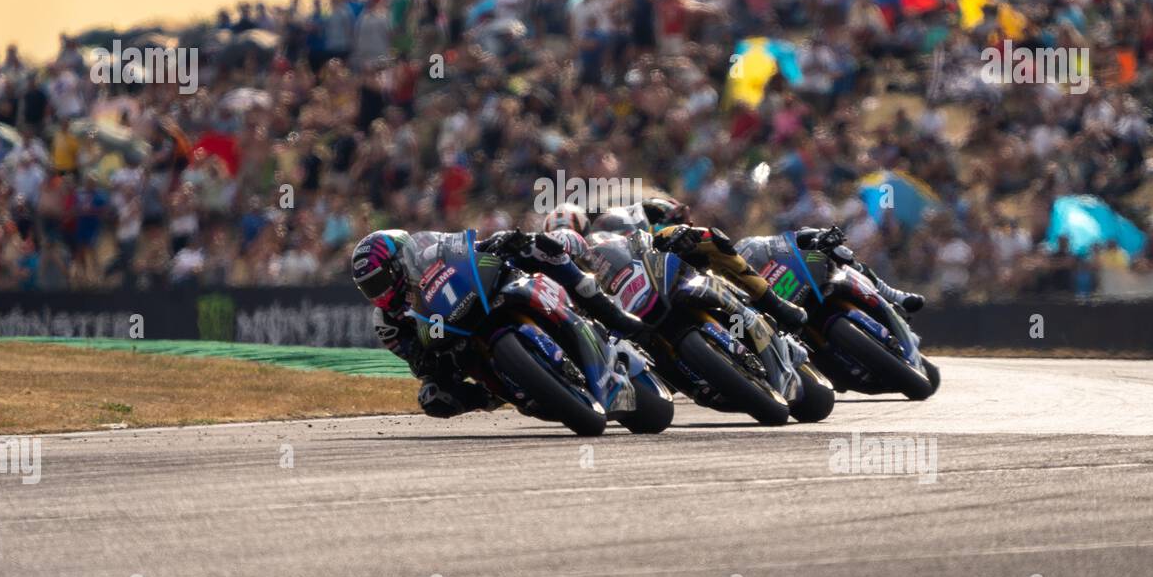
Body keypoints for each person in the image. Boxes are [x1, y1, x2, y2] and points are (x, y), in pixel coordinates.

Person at [351, 227, 647, 419]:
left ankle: (606, 311)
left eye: (379, 281)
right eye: (369, 289)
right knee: (432, 398)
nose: (378, 294)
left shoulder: (427, 251)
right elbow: (413, 360)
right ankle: (494, 394)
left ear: (398, 263)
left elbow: (466, 248)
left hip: (484, 293)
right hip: (456, 343)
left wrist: (501, 241)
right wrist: (421, 358)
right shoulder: (387, 322)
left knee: (536, 246)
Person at [592, 196, 809, 333]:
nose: (688, 222)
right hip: (646, 310)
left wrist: (682, 236)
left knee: (712, 238)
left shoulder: (660, 231)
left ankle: (776, 305)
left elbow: (694, 234)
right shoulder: (606, 264)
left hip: (683, 273)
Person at [735, 225, 924, 314]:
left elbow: (801, 235)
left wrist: (823, 236)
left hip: (813, 279)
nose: (758, 266)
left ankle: (893, 295)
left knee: (841, 254)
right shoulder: (743, 291)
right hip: (787, 312)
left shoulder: (774, 246)